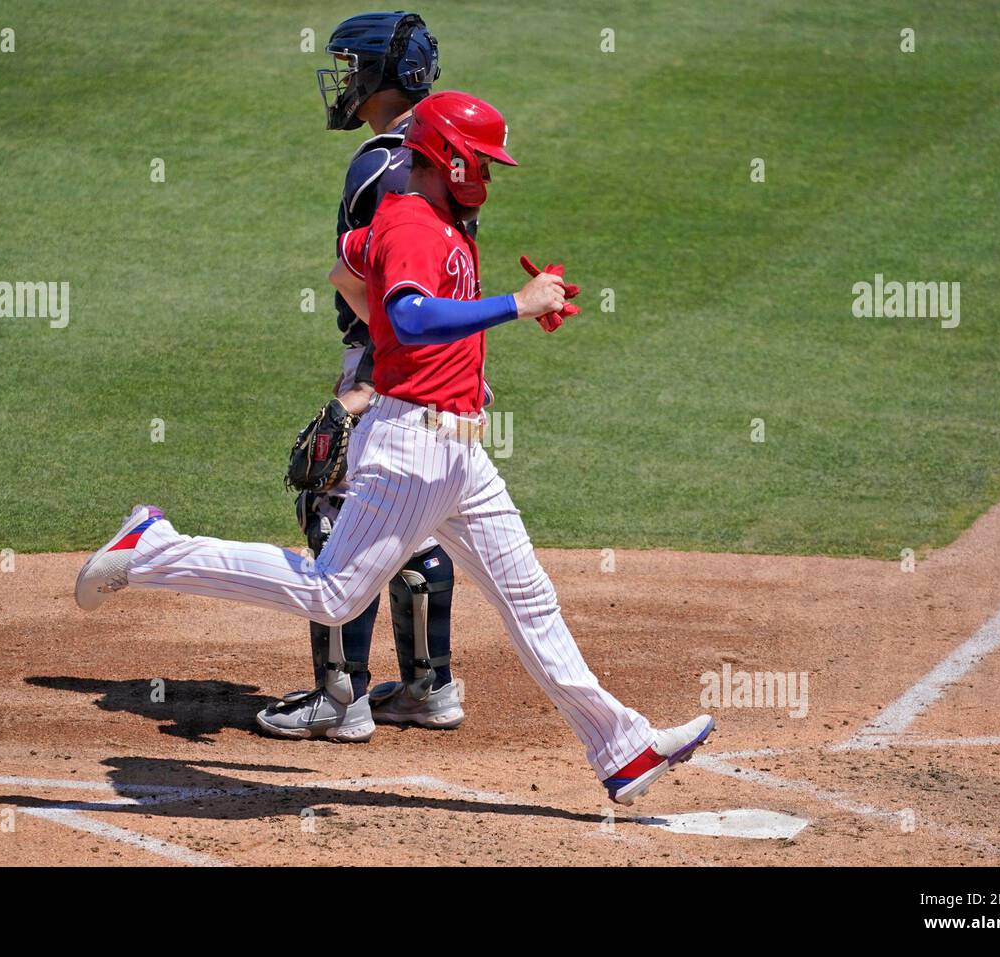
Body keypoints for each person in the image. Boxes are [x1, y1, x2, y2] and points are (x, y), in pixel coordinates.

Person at [75, 91, 714, 806]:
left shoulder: (431, 218)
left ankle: (621, 748)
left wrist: (452, 361)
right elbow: (409, 315)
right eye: (484, 163)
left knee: (530, 598)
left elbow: (349, 269)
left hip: (459, 454)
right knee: (332, 592)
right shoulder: (414, 220)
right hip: (414, 448)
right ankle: (154, 546)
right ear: (451, 157)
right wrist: (515, 304)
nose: (490, 178)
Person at [274, 11, 465, 741]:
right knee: (411, 509)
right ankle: (428, 687)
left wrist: (363, 386)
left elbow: (382, 281)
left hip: (390, 360)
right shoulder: (437, 152)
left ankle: (339, 698)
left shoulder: (380, 163)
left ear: (390, 77)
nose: (346, 81)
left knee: (332, 501)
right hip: (439, 362)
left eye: (355, 67)